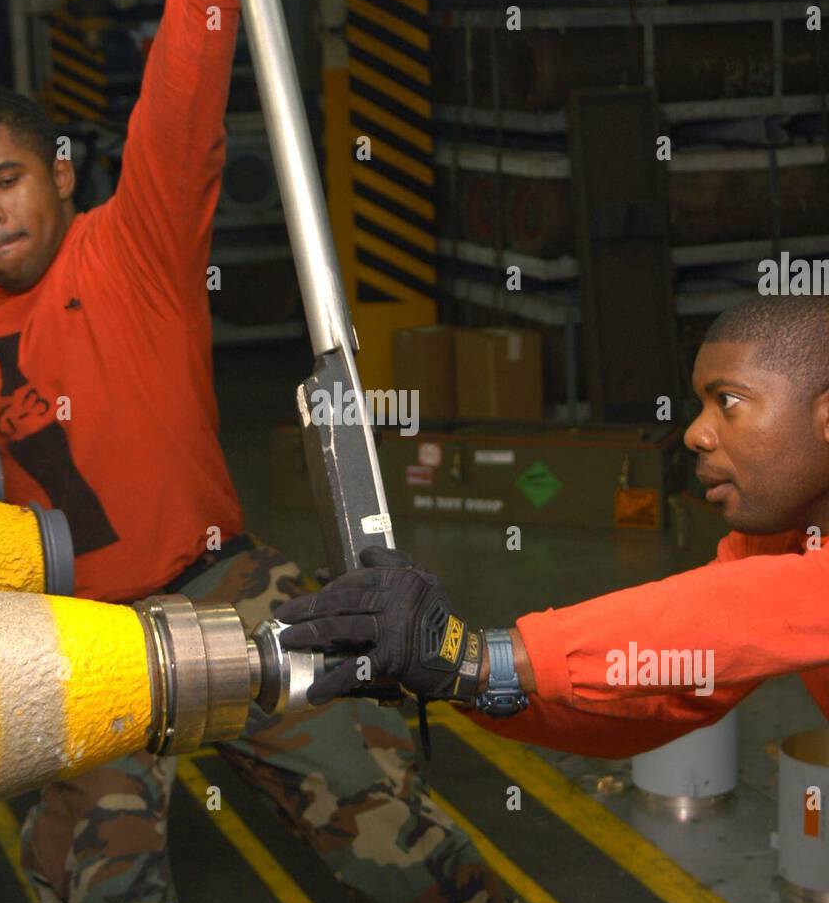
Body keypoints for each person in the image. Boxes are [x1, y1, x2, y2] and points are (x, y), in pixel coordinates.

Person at [0, 0, 607, 903]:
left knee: (382, 825)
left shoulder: (135, 249)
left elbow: (180, 94)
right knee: (110, 892)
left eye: (4, 181)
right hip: (73, 634)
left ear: (58, 172)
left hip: (225, 589)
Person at [279, 293, 829, 758]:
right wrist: (463, 677)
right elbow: (669, 693)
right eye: (699, 405)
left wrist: (485, 654)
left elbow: (753, 608)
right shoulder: (779, 541)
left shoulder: (794, 580)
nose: (694, 434)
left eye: (728, 401)